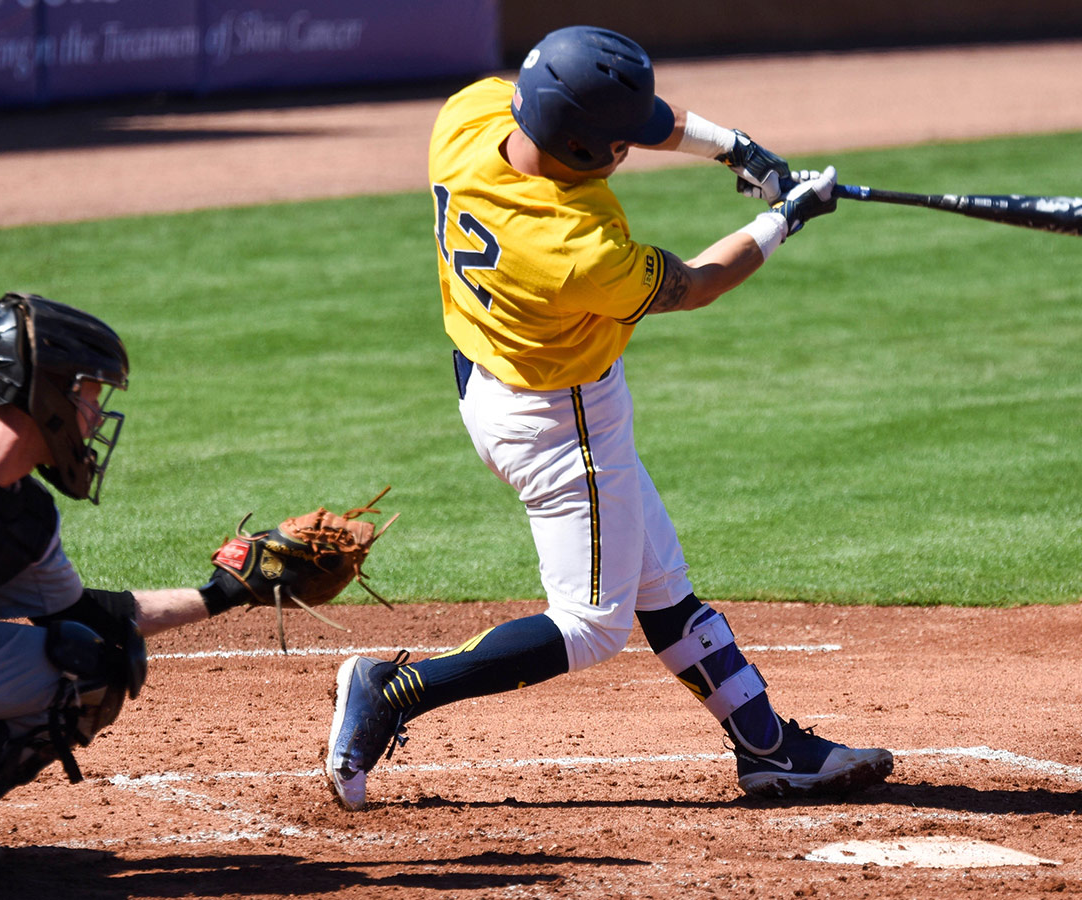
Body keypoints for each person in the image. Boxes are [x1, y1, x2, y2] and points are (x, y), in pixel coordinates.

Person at [324, 25, 892, 811]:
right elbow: (695, 284)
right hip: (560, 424)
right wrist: (787, 216)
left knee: (659, 581)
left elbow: (615, 115)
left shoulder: (469, 117)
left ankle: (770, 751)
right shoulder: (576, 248)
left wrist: (735, 148)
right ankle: (394, 690)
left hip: (487, 380)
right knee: (592, 623)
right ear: (600, 152)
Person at [0, 292, 305, 875]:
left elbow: (90, 613)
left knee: (88, 664)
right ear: (47, 392)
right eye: (90, 395)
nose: (95, 418)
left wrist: (226, 590)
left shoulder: (25, 517)